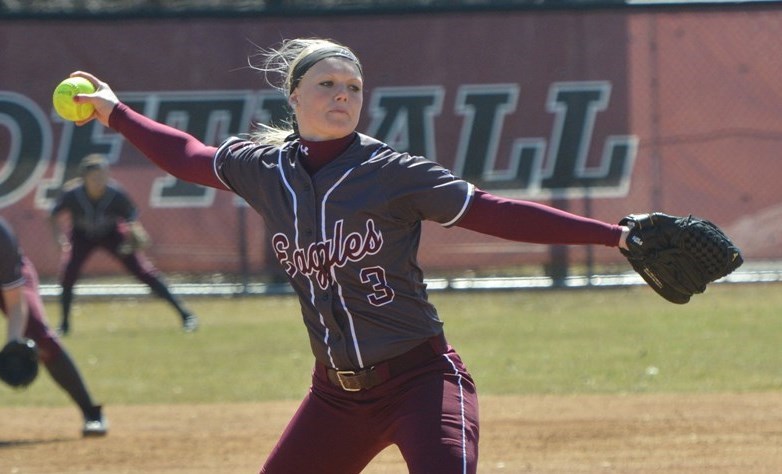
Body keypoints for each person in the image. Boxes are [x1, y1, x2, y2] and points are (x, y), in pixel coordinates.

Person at [68, 38, 631, 473]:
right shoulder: (265, 171)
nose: (343, 94)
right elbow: (187, 155)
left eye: (354, 86)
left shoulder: (392, 173)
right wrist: (114, 111)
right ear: (294, 97)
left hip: (422, 382)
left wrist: (615, 236)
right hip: (334, 397)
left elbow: (493, 211)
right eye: (328, 83)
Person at [49, 154, 198, 335]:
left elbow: (131, 218)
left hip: (112, 235)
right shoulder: (72, 194)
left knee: (144, 272)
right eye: (94, 177)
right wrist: (58, 237)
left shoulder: (115, 194)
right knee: (68, 274)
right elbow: (53, 215)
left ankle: (185, 315)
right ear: (84, 178)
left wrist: (135, 233)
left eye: (103, 176)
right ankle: (64, 325)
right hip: (82, 236)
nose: (99, 181)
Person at [0, 217, 108, 437]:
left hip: (8, 280)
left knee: (40, 336)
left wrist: (13, 342)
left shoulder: (1, 238)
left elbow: (15, 304)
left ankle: (91, 413)